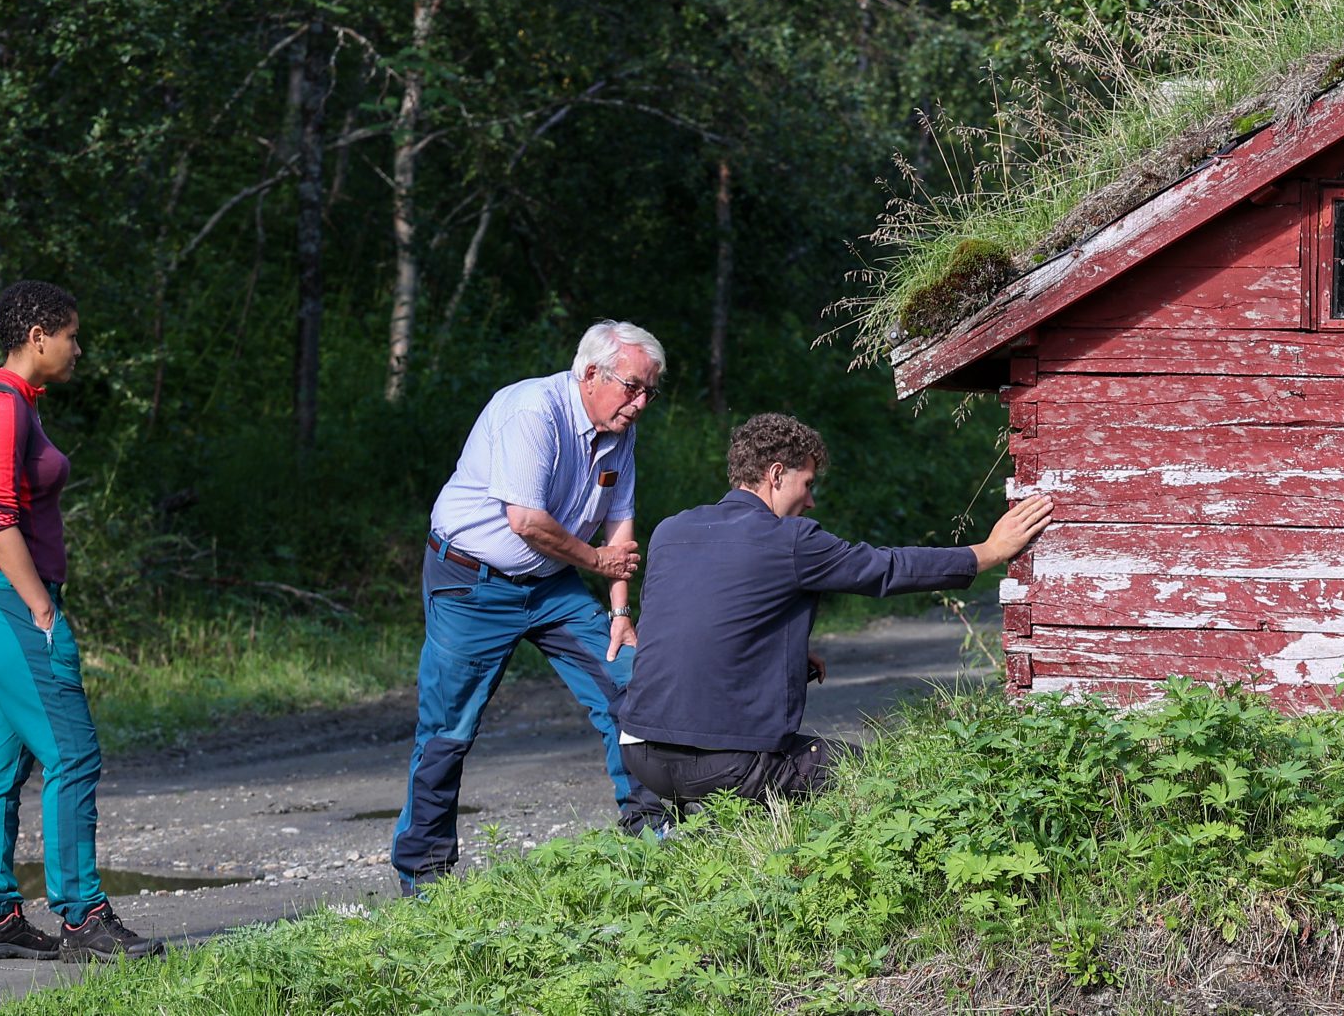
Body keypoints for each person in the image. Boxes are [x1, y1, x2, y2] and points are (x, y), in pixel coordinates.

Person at [616, 412, 1053, 805]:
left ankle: (679, 833)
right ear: (775, 475)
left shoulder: (673, 531)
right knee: (873, 774)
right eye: (807, 484)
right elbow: (885, 569)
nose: (811, 501)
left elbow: (689, 620)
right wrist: (987, 552)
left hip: (641, 754)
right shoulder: (791, 540)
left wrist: (775, 648)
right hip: (725, 763)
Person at [392, 320, 671, 893]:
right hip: (471, 581)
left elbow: (620, 526)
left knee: (633, 681)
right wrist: (597, 564)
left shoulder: (620, 426)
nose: (641, 403)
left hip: (550, 583)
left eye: (651, 392)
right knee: (448, 729)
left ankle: (650, 834)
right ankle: (423, 878)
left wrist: (621, 613)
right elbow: (527, 522)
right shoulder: (531, 411)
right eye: (632, 387)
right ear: (590, 373)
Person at [0, 281, 160, 963]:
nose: (78, 347)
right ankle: (83, 919)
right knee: (73, 753)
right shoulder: (2, 407)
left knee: (3, 762)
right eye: (71, 334)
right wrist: (42, 605)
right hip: (7, 603)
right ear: (37, 336)